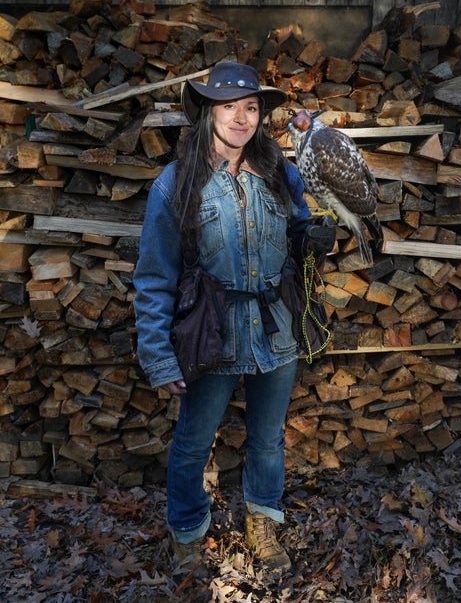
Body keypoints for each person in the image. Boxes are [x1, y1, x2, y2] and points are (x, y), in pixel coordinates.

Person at [134, 61, 331, 575]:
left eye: (250, 108)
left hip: (276, 329)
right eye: (229, 106)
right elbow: (155, 275)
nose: (241, 118)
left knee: (267, 439)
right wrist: (157, 354)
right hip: (210, 332)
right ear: (207, 111)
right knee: (193, 442)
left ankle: (262, 521)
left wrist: (312, 243)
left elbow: (297, 243)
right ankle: (187, 532)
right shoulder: (176, 184)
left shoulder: (281, 175)